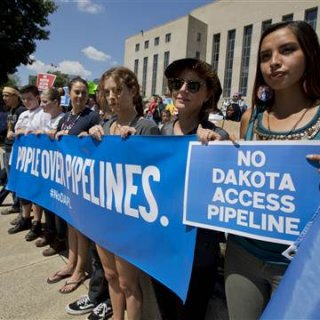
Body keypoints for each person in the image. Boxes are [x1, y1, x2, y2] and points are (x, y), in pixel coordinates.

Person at [225, 20, 320, 320]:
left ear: (309, 55)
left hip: (303, 266)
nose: (274, 63)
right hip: (242, 256)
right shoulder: (251, 118)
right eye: (265, 56)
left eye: (287, 50)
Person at [153, 58, 229, 320]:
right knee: (166, 312)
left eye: (193, 85)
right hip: (161, 244)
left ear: (208, 94)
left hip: (197, 252)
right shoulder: (159, 132)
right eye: (177, 83)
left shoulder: (217, 136)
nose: (182, 89)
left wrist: (219, 151)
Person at [88, 66, 160, 320]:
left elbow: (157, 174)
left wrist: (137, 146)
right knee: (110, 276)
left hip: (130, 221)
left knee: (129, 284)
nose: (111, 97)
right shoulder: (104, 126)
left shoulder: (146, 127)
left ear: (133, 91)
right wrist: (88, 138)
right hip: (104, 218)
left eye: (118, 90)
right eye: (107, 92)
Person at [47, 77, 100, 294]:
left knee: (80, 226)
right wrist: (54, 135)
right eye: (76, 92)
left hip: (81, 180)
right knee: (70, 223)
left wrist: (87, 135)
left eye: (84, 92)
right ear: (69, 93)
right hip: (65, 178)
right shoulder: (66, 117)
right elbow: (60, 141)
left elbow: (93, 144)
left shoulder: (91, 115)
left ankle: (79, 269)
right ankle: (70, 263)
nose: (80, 96)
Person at [8, 85, 51, 239]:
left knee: (35, 193)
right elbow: (16, 130)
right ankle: (25, 218)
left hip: (36, 162)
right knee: (22, 191)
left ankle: (37, 223)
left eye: (30, 98)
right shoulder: (23, 114)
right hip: (20, 159)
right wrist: (14, 133)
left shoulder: (44, 114)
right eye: (24, 99)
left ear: (37, 97)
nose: (27, 101)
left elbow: (47, 134)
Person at [33, 88, 67, 256]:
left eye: (45, 102)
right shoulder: (46, 118)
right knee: (47, 202)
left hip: (59, 171)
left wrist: (49, 134)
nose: (42, 105)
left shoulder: (64, 119)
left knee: (58, 205)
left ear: (56, 102)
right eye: (42, 101)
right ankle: (50, 231)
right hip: (46, 168)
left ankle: (61, 238)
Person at [0, 86, 25, 215]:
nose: (4, 98)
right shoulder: (11, 110)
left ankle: (18, 205)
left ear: (15, 95)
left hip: (16, 149)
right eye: (3, 95)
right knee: (10, 177)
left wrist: (14, 134)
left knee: (14, 178)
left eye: (7, 95)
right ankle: (16, 204)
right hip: (7, 147)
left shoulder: (22, 111)